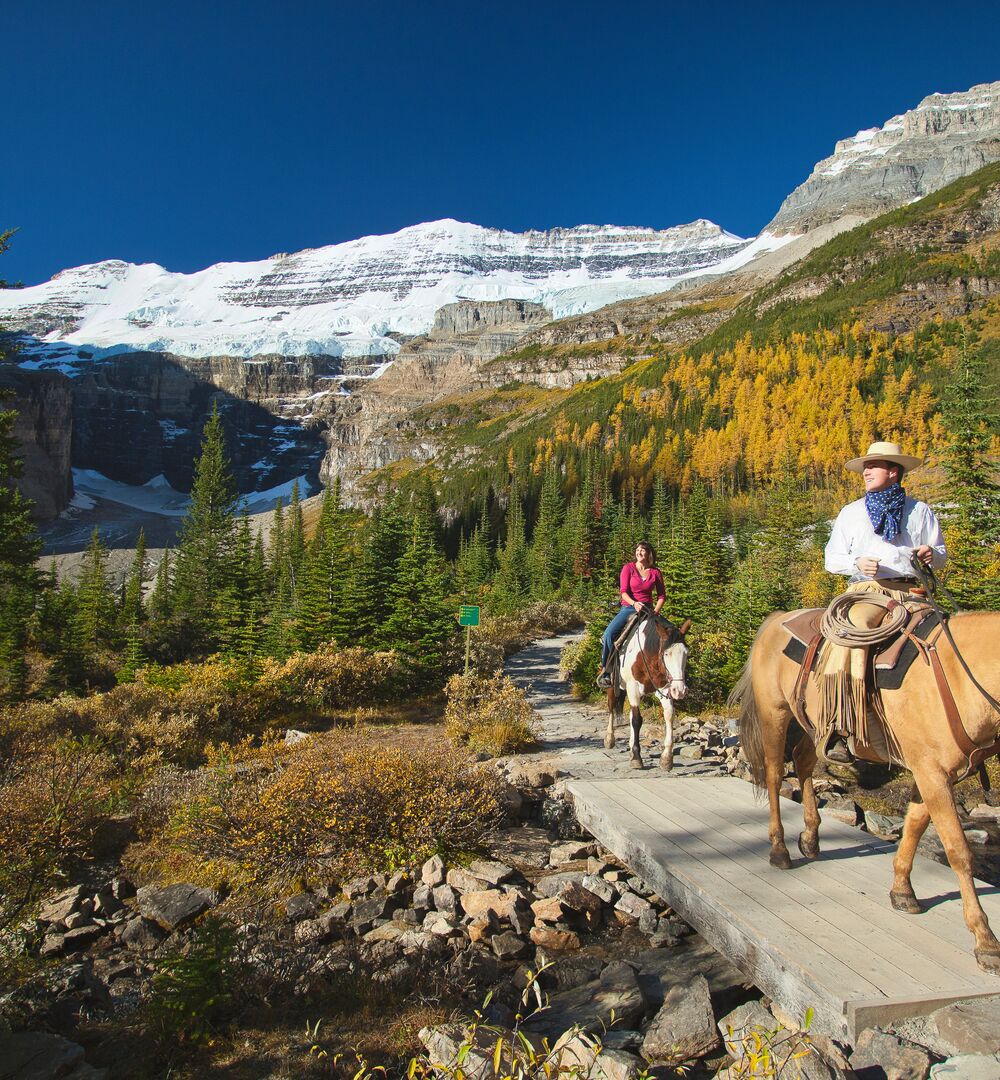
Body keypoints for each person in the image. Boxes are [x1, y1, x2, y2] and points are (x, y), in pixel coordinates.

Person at [820, 440, 946, 761]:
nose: (866, 471)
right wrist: (857, 564)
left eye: (873, 466)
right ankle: (838, 724)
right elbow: (832, 558)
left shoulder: (919, 511)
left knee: (947, 634)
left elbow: (941, 553)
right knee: (852, 631)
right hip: (869, 590)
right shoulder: (851, 513)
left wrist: (932, 555)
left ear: (893, 471)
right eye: (866, 466)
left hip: (913, 591)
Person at [595, 541, 665, 689]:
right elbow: (623, 592)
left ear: (649, 554)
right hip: (629, 608)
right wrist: (634, 603)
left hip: (648, 610)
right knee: (608, 634)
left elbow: (661, 596)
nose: (639, 552)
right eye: (637, 550)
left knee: (671, 634)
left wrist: (656, 611)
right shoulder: (628, 569)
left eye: (643, 550)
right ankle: (606, 672)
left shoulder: (655, 572)